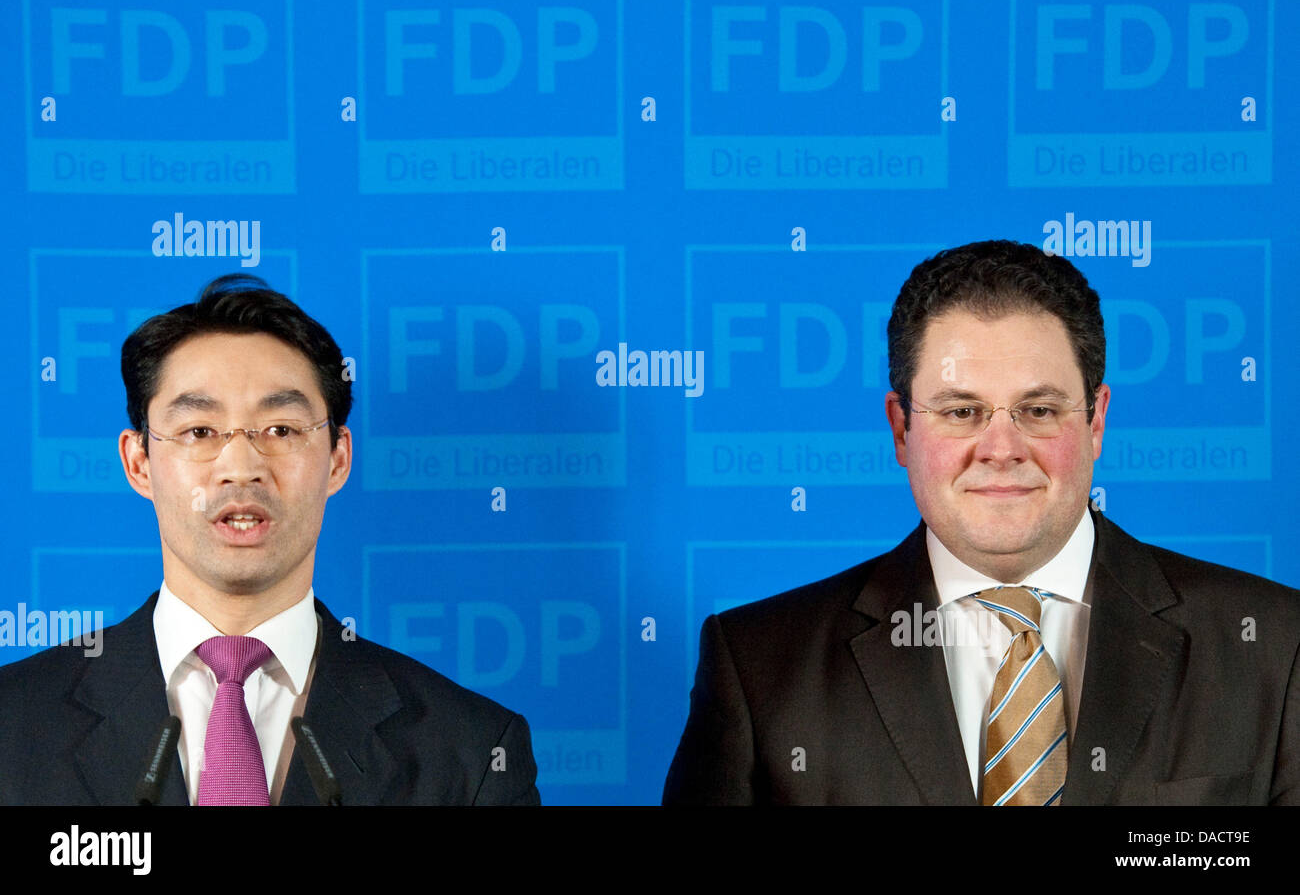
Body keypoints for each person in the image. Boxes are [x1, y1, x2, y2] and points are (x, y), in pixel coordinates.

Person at [663, 239, 1299, 805]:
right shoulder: (758, 668)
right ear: (901, 428)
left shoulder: (1274, 647)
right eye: (962, 411)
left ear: (1096, 420)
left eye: (1040, 409)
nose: (1002, 447)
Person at [0, 275, 540, 805]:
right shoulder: (14, 724)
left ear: (338, 458)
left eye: (281, 430)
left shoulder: (470, 752)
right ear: (139, 462)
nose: (241, 466)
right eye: (200, 432)